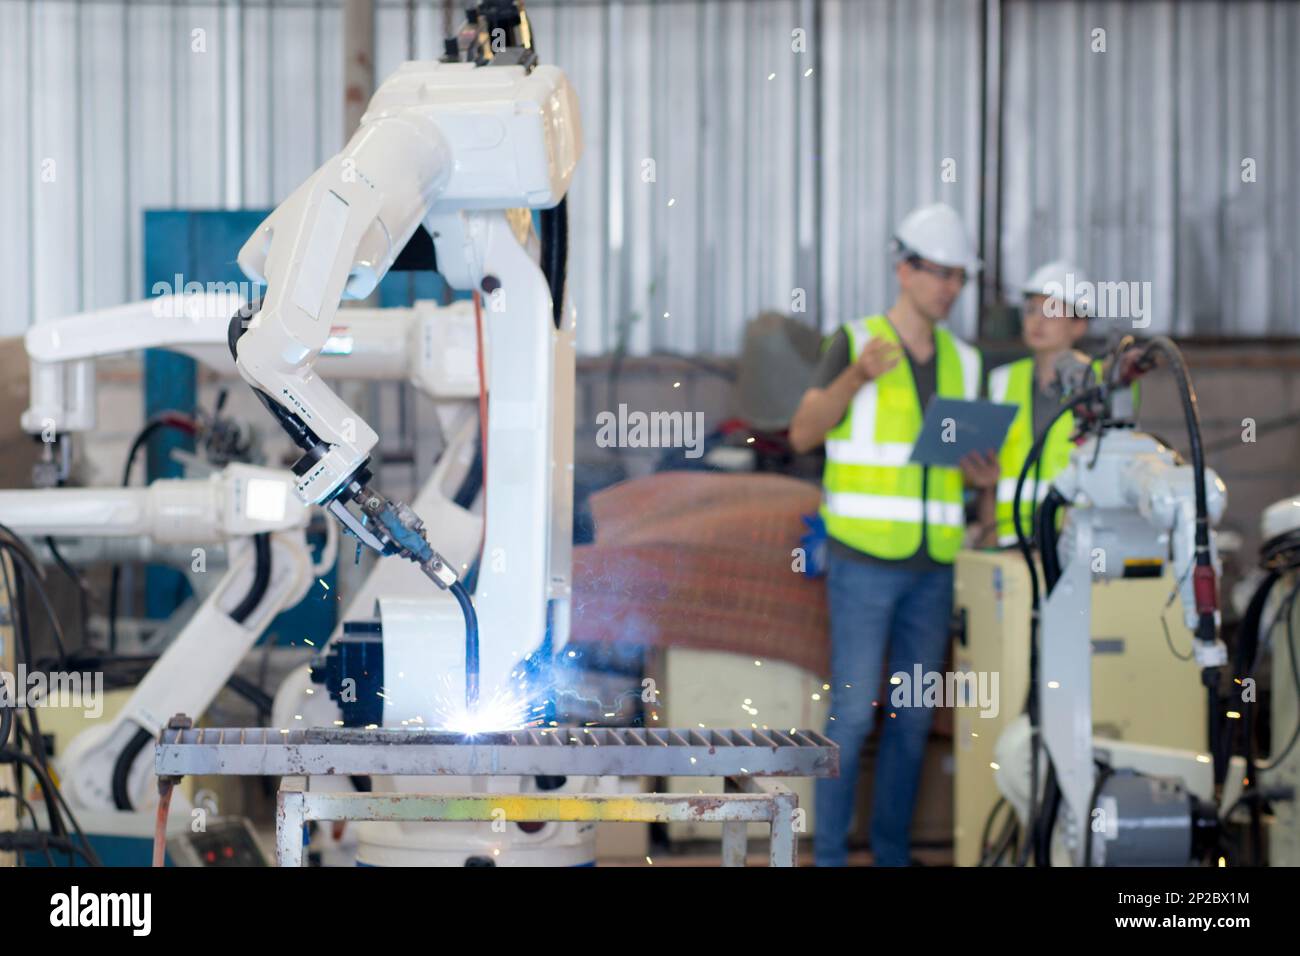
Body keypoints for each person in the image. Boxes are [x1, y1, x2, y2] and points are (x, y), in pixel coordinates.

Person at [789, 203, 999, 866]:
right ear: (904, 268)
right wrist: (856, 378)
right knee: (851, 719)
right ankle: (826, 857)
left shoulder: (968, 362)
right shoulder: (852, 343)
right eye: (941, 273)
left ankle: (891, 854)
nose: (951, 288)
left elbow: (959, 468)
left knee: (911, 722)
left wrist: (981, 478)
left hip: (934, 566)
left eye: (960, 277)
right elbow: (803, 434)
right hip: (863, 562)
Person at [979, 260, 1101, 547]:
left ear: (1079, 324)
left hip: (1075, 546)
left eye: (1051, 311)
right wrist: (989, 536)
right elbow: (986, 471)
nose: (1038, 321)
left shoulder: (1101, 387)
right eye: (1031, 310)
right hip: (1011, 542)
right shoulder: (1000, 382)